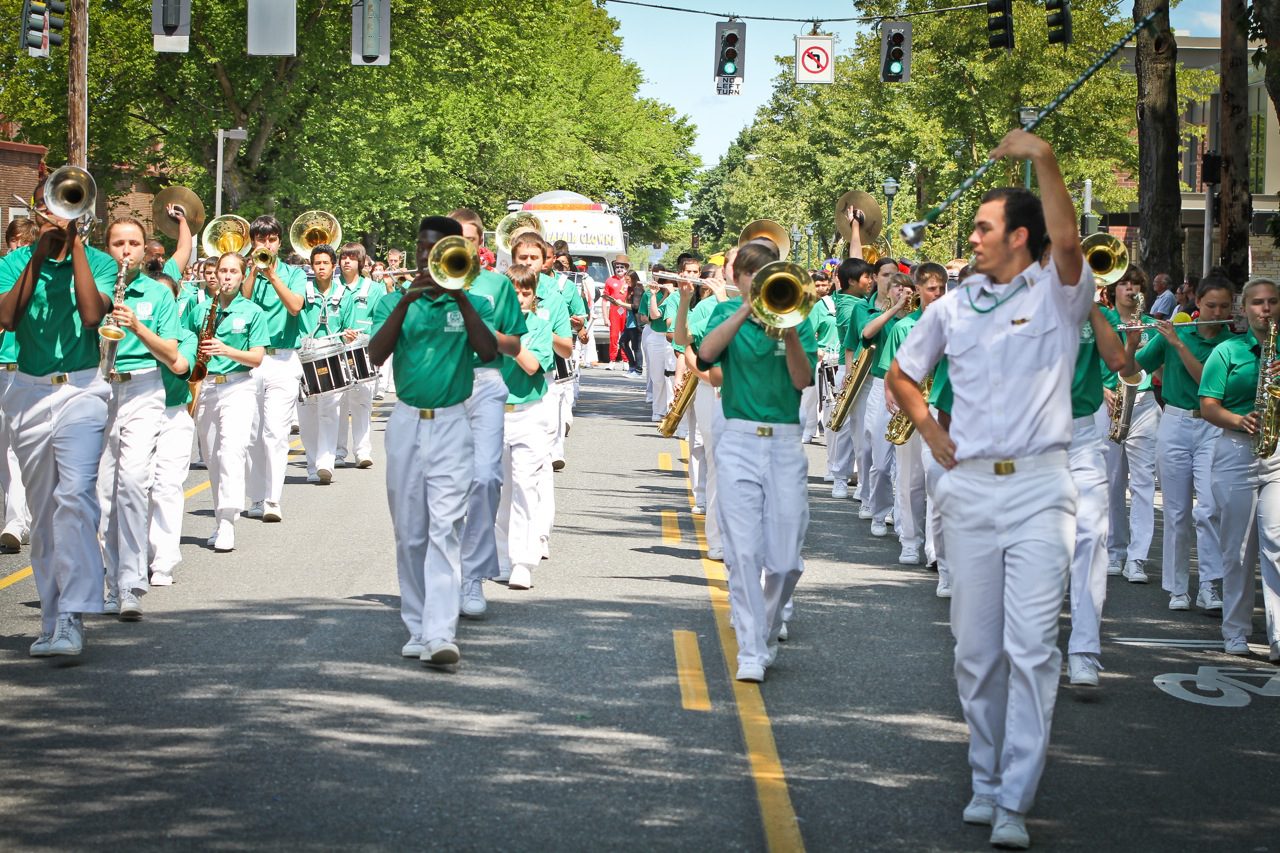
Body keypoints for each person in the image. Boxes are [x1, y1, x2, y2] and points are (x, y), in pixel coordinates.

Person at [888, 130, 1094, 849]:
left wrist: (1044, 156)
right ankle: (983, 778)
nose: (971, 237)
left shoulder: (1059, 292)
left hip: (1041, 488)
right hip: (969, 490)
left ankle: (1015, 795)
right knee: (976, 651)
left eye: (982, 226)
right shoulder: (950, 307)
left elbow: (1069, 240)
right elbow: (901, 375)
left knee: (1033, 646)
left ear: (1019, 236)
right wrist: (930, 431)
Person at [369, 216, 497, 668]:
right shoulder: (393, 301)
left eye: (436, 250)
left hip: (451, 423)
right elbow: (375, 353)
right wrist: (406, 301)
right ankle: (418, 625)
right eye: (422, 249)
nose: (427, 257)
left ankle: (441, 633)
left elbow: (488, 351)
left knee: (446, 529)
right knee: (410, 533)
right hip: (406, 421)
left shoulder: (472, 300)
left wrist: (459, 297)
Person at [0, 174, 116, 658]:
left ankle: (73, 613)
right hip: (26, 392)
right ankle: (51, 619)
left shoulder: (103, 262)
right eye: (54, 209)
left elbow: (92, 316)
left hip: (84, 387)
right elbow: (7, 317)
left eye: (70, 208)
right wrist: (36, 256)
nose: (61, 216)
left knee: (74, 494)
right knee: (46, 513)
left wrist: (77, 247)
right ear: (38, 212)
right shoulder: (13, 262)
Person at [694, 240, 817, 684]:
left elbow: (802, 380)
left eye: (765, 274)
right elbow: (705, 356)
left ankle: (764, 628)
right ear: (740, 279)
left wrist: (785, 327)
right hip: (740, 437)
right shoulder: (726, 315)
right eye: (750, 274)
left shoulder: (797, 319)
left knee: (784, 562)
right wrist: (747, 309)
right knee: (743, 552)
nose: (758, 281)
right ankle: (751, 647)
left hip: (784, 442)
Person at [1130, 276, 1235, 613]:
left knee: (1210, 509)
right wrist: (1132, 342)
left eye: (1224, 307)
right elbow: (1133, 368)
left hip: (1214, 425)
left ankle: (1209, 586)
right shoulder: (1174, 333)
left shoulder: (1232, 345)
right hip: (1174, 421)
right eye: (1210, 306)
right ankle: (1177, 589)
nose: (1217, 312)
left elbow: (1206, 380)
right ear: (1197, 305)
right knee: (1176, 512)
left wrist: (1177, 344)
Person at [97, 217, 183, 620]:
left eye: (133, 243)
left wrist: (137, 325)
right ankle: (108, 581)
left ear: (145, 248)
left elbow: (170, 351)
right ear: (107, 247)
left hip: (144, 387)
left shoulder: (156, 293)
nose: (126, 250)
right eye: (118, 243)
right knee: (100, 492)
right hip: (98, 385)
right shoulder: (93, 287)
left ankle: (131, 582)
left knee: (132, 482)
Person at [449, 208, 527, 618]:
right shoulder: (432, 285)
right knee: (444, 487)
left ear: (480, 243)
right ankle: (449, 573)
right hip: (443, 386)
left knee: (486, 478)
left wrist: (480, 332)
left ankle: (473, 577)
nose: (463, 245)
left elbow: (514, 346)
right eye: (454, 237)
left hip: (486, 385)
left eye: (469, 238)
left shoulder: (498, 284)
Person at [1199, 276, 1280, 662]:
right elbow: (1208, 406)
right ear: (1244, 310)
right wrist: (1237, 419)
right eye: (1257, 303)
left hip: (1277, 453)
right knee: (1238, 550)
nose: (1265, 309)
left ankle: (1278, 635)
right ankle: (1235, 631)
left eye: (1272, 302)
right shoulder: (1228, 351)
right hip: (1235, 453)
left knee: (1277, 543)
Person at [189, 252, 268, 552]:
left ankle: (227, 522)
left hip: (238, 385)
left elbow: (257, 357)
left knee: (231, 450)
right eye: (222, 271)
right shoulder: (199, 311)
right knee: (212, 457)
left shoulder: (252, 311)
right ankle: (219, 516)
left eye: (233, 272)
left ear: (242, 275)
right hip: (207, 386)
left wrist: (225, 350)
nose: (226, 276)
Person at [881, 264, 946, 565]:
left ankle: (935, 549)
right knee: (909, 480)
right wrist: (891, 393)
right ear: (917, 290)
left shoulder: (953, 324)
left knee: (937, 479)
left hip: (939, 405)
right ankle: (910, 540)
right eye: (931, 288)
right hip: (911, 405)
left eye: (942, 288)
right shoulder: (903, 327)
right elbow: (890, 371)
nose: (937, 294)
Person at [242, 216, 306, 523]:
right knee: (253, 433)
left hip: (283, 358)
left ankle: (272, 500)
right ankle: (255, 497)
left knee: (275, 433)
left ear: (279, 242)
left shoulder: (293, 273)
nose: (265, 245)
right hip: (253, 359)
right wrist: (254, 271)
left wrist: (272, 275)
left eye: (271, 240)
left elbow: (295, 306)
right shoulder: (248, 272)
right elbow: (240, 301)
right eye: (260, 239)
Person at [495, 264, 554, 591]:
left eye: (526, 292)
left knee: (524, 487)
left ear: (533, 296)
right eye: (513, 292)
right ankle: (503, 558)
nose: (519, 298)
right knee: (499, 490)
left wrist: (505, 339)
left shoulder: (539, 324)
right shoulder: (491, 322)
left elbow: (533, 365)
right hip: (494, 415)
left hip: (529, 413)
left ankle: (523, 561)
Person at [1101, 267, 1160, 582]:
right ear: (1113, 290)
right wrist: (1102, 388)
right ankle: (1114, 550)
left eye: (1135, 284)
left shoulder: (1152, 325)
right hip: (1109, 404)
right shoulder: (1102, 322)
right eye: (1123, 283)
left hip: (1143, 403)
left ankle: (1137, 557)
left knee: (1142, 486)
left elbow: (1161, 369)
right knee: (1110, 484)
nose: (1129, 289)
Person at [146, 274, 199, 587]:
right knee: (134, 488)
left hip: (172, 415)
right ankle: (134, 554)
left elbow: (179, 365)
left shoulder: (187, 336)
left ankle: (163, 560)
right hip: (133, 412)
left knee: (167, 486)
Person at [297, 244, 353, 485]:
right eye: (317, 263)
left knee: (330, 411)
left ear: (333, 266)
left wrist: (348, 336)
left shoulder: (345, 295)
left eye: (325, 263)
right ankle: (311, 465)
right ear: (312, 266)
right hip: (305, 355)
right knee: (307, 412)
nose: (321, 267)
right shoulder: (302, 292)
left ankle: (325, 462)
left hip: (331, 356)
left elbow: (347, 329)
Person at [0, 217, 37, 552]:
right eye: (14, 242)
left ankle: (24, 518)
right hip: (3, 367)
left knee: (28, 446)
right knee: (7, 448)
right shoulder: (4, 269)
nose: (18, 249)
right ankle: (16, 521)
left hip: (30, 368)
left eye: (24, 243)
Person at [829, 256, 875, 499]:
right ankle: (839, 477)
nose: (871, 280)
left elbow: (854, 258)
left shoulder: (862, 300)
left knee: (863, 431)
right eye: (867, 276)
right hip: (849, 371)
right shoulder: (848, 304)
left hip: (868, 372)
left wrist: (856, 229)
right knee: (845, 428)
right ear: (851, 281)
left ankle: (861, 483)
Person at [333, 242, 382, 469]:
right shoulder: (332, 286)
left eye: (351, 258)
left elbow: (381, 320)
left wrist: (365, 336)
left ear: (360, 261)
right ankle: (338, 451)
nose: (346, 261)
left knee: (362, 402)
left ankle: (362, 450)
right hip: (336, 350)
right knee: (338, 402)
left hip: (363, 350)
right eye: (343, 257)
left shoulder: (374, 288)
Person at [602, 255, 631, 368]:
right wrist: (605, 317)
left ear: (626, 268)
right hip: (614, 311)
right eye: (617, 267)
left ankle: (625, 360)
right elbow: (604, 300)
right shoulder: (610, 280)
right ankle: (612, 360)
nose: (619, 269)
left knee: (625, 336)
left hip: (626, 311)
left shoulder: (629, 281)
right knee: (613, 336)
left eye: (622, 267)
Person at [619, 272, 644, 374]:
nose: (626, 282)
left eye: (628, 280)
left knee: (636, 347)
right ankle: (632, 365)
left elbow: (636, 306)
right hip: (629, 322)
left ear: (634, 279)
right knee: (623, 343)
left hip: (636, 323)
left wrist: (621, 304)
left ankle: (638, 369)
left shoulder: (638, 289)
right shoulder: (630, 289)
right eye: (626, 280)